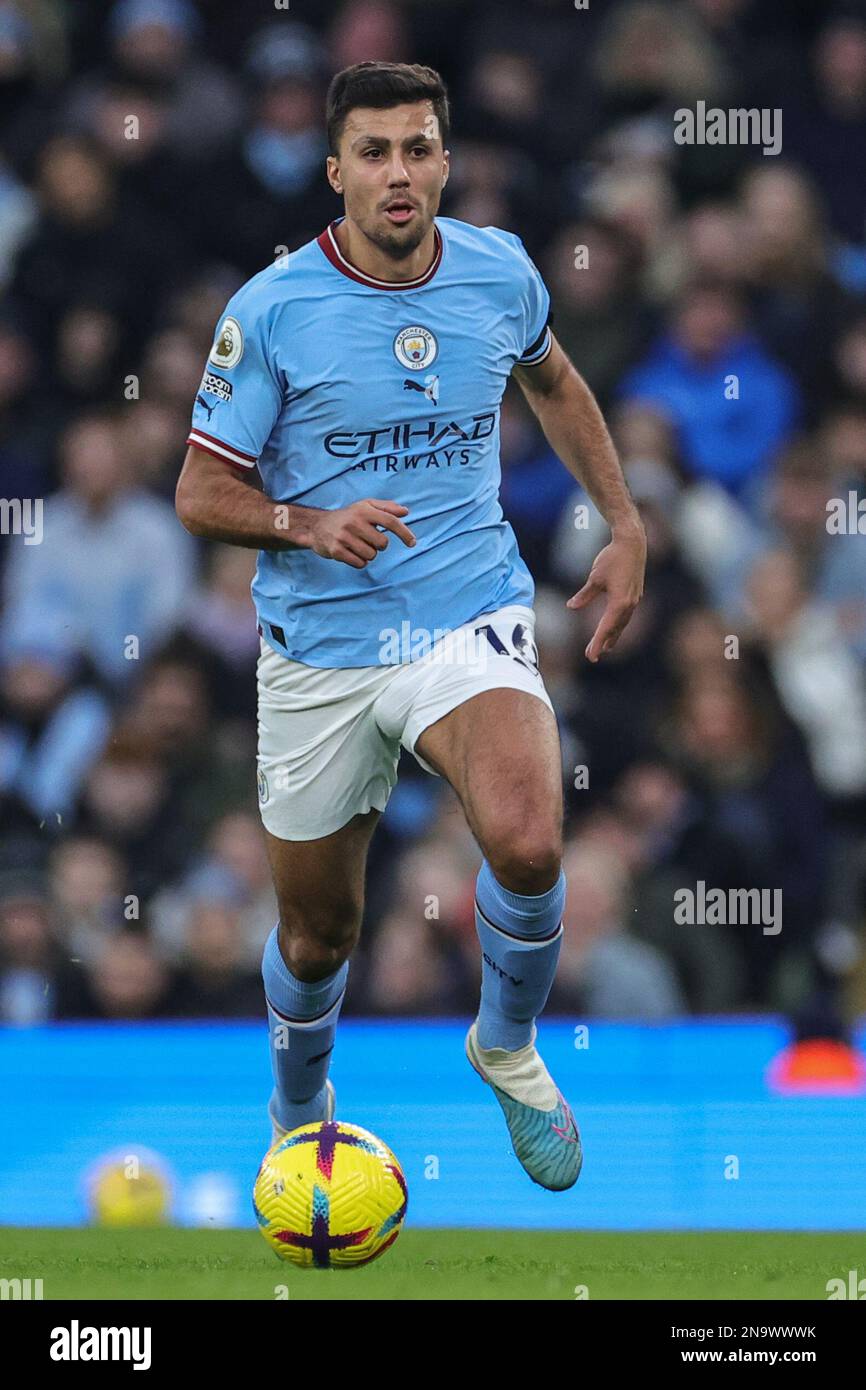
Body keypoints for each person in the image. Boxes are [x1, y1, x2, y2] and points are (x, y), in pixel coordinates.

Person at [175, 61, 646, 1193]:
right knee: (315, 939)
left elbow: (555, 381)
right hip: (320, 654)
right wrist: (305, 521)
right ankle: (300, 1109)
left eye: (418, 148)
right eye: (374, 153)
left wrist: (623, 523)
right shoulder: (272, 307)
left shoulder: (497, 270)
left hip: (464, 610)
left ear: (446, 161)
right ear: (334, 172)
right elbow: (199, 491)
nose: (398, 173)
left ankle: (507, 1043)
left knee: (530, 841)